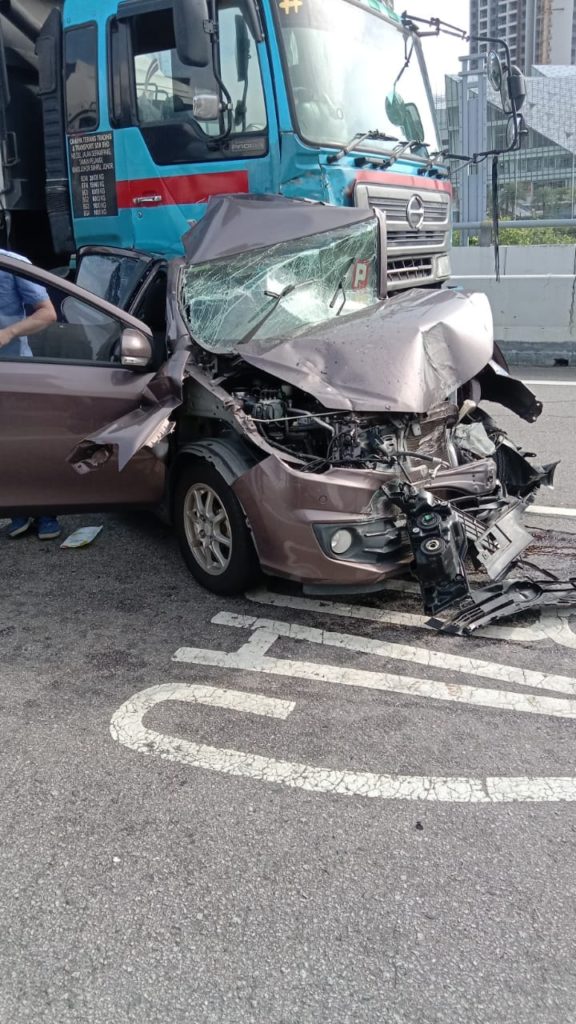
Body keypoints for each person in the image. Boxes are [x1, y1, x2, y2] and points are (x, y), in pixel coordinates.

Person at [0, 248, 61, 540]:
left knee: (30, 440)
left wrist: (9, 332)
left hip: (15, 370)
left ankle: (47, 513)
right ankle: (18, 510)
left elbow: (47, 313)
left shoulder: (13, 264)